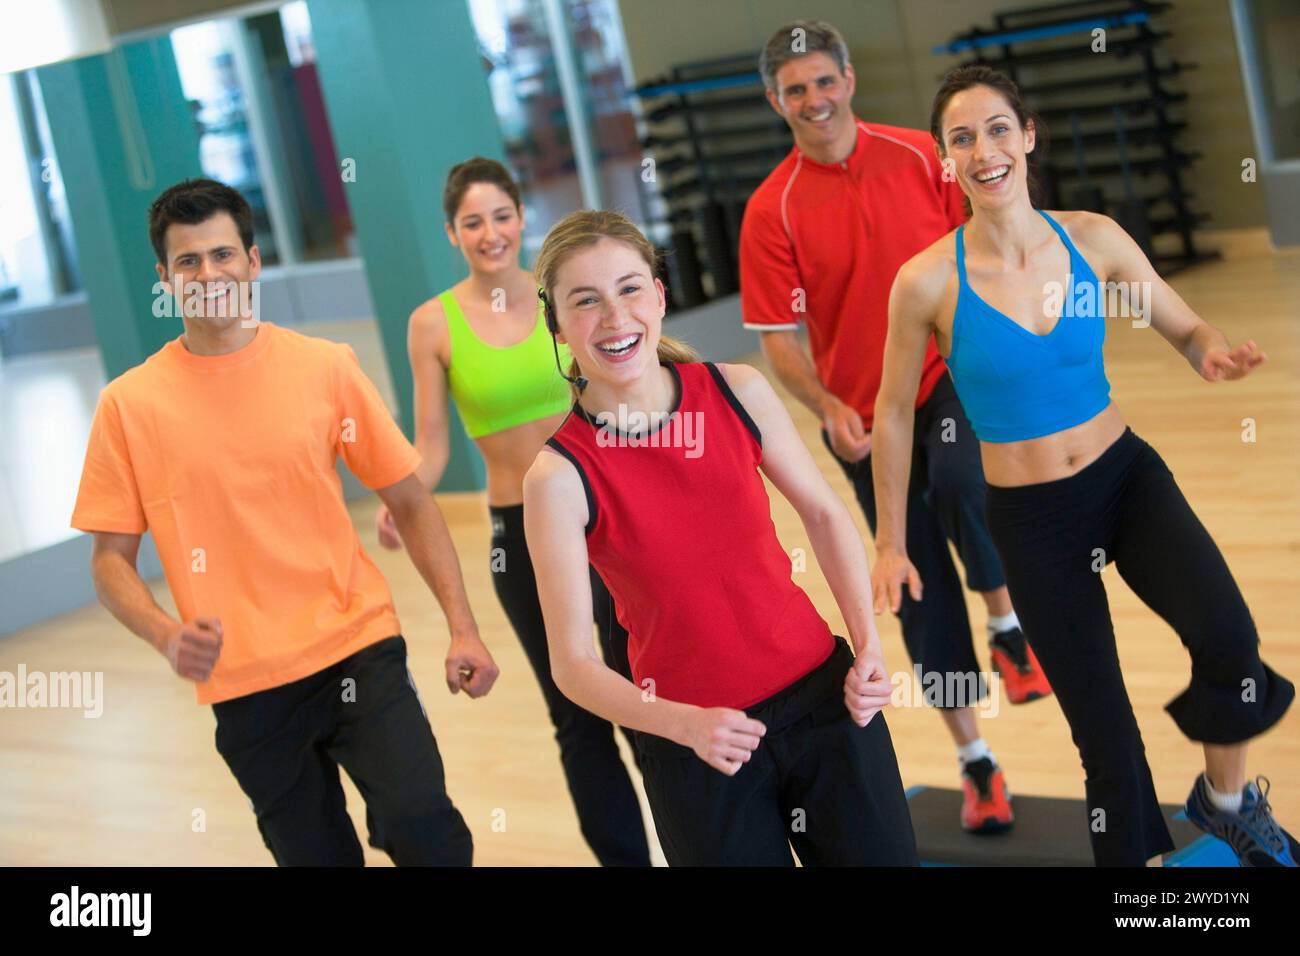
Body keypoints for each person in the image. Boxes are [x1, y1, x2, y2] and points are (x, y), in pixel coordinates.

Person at [873, 64, 1296, 867]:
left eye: (998, 128)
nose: (984, 149)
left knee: (1229, 637)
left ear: (1027, 136)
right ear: (945, 159)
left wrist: (1212, 354)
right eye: (962, 138)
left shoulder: (1091, 238)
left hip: (1126, 482)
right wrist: (890, 541)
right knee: (1103, 731)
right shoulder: (925, 281)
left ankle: (1229, 802)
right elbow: (894, 413)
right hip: (1032, 522)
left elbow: (1178, 319)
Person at [71, 178, 496, 866]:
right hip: (244, 682)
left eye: (222, 255)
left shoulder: (324, 367)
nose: (208, 274)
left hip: (356, 641)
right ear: (165, 277)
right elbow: (108, 560)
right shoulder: (128, 405)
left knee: (424, 825)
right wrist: (165, 634)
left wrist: (464, 627)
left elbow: (411, 501)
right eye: (188, 262)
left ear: (253, 261)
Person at [522, 209, 918, 866]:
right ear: (557, 325)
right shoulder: (557, 477)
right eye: (585, 301)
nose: (615, 318)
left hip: (823, 703)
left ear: (659, 295)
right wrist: (685, 726)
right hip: (696, 747)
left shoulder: (738, 392)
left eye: (628, 289)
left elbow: (823, 514)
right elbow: (574, 666)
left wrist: (869, 646)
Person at [740, 19, 1049, 834]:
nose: (815, 99)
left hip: (951, 372)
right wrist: (828, 407)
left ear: (849, 79)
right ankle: (976, 760)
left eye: (824, 80)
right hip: (864, 415)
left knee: (959, 478)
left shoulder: (923, 154)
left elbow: (995, 240)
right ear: (777, 101)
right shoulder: (772, 211)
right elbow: (778, 336)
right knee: (913, 587)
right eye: (795, 89)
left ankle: (1010, 626)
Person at [374, 158, 650, 866]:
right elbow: (431, 443)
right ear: (452, 233)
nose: (490, 233)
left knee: (647, 698)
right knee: (578, 716)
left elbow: (623, 394)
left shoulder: (566, 296)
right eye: (473, 222)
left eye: (501, 216)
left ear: (522, 218)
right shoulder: (432, 324)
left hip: (605, 518)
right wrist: (405, 497)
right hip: (519, 537)